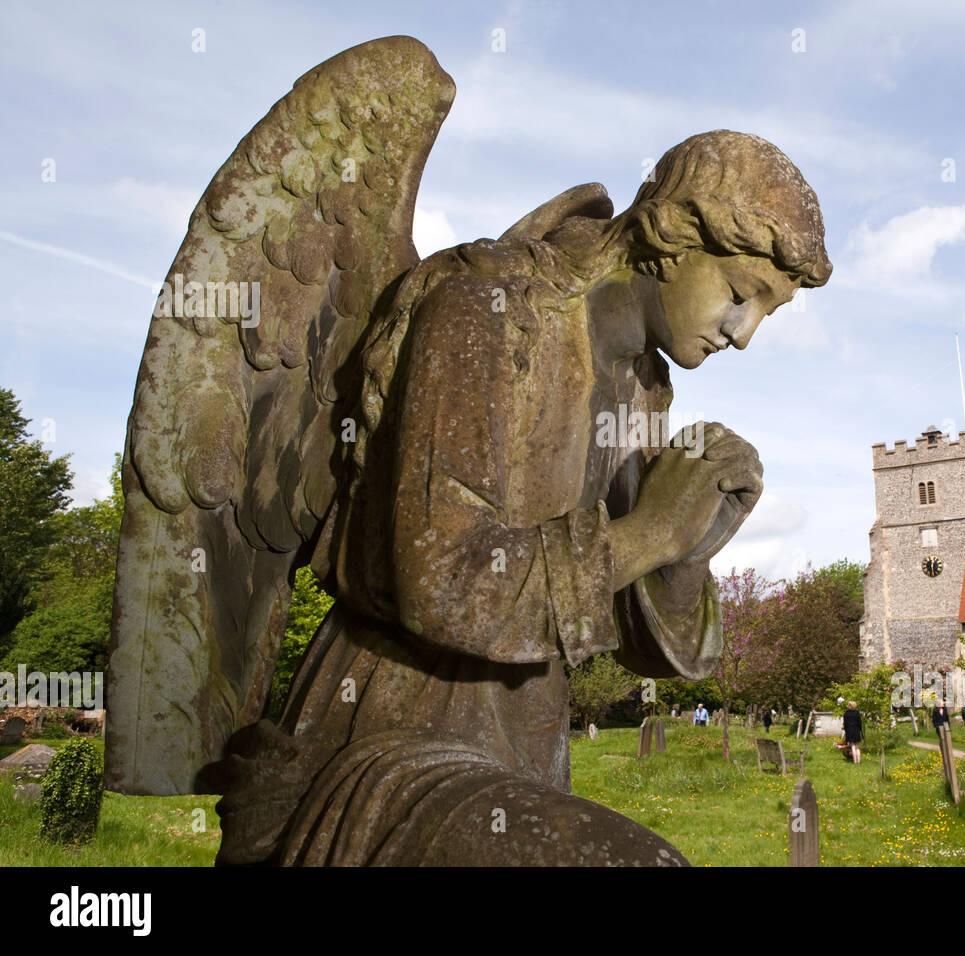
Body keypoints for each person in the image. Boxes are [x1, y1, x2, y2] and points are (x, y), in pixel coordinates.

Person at [202, 119, 830, 866]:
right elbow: (441, 582)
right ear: (671, 235)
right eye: (739, 293)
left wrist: (689, 547)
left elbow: (632, 640)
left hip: (525, 751)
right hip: (390, 736)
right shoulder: (485, 311)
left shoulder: (643, 386)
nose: (743, 333)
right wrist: (652, 533)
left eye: (766, 313)